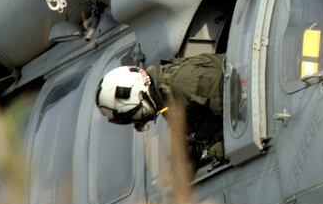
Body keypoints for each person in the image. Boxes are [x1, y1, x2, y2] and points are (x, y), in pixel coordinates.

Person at [96, 53, 226, 165]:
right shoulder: (165, 100)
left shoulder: (181, 82)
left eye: (132, 116)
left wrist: (226, 144)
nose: (138, 120)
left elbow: (237, 95)